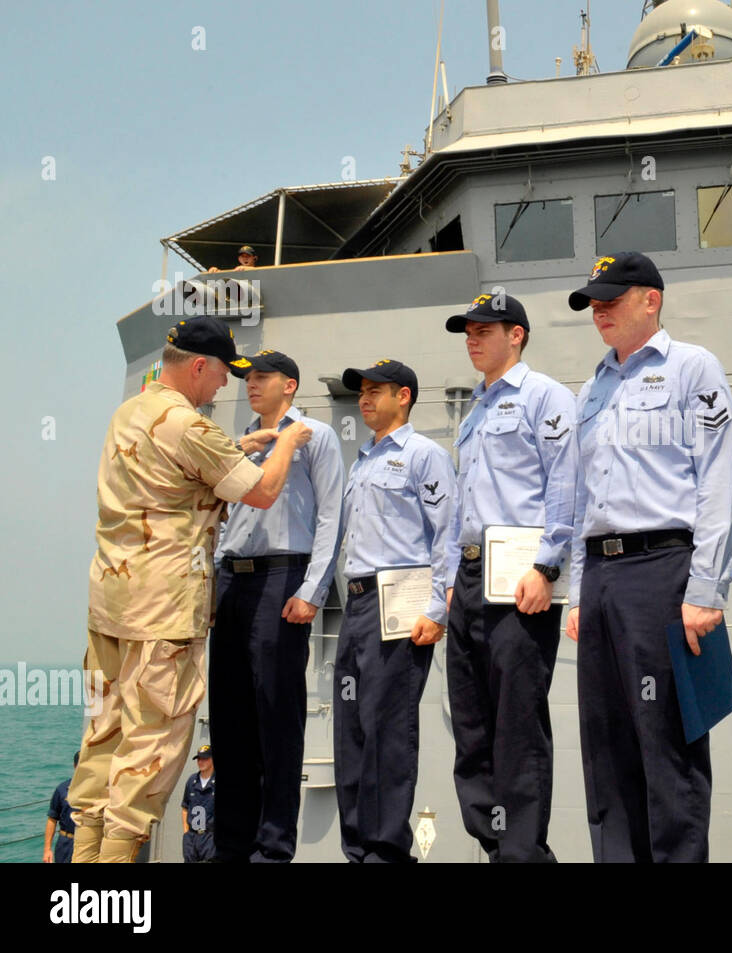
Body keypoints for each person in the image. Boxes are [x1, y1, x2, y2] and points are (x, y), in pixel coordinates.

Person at [70, 316, 313, 864]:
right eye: (223, 373)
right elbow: (264, 490)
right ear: (200, 366)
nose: (226, 385)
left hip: (110, 607)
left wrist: (238, 443)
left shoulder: (129, 412)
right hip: (162, 615)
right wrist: (290, 438)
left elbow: (174, 468)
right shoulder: (188, 425)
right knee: (150, 752)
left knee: (102, 742)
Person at [564, 251, 732, 862]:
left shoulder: (694, 368)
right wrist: (581, 590)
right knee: (606, 747)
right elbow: (586, 499)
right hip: (602, 577)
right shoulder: (590, 389)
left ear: (651, 300)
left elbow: (717, 480)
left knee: (667, 746)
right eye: (593, 303)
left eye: (611, 299)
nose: (599, 312)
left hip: (663, 571)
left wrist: (706, 589)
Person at [443, 292, 577, 862]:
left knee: (517, 722)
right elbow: (460, 505)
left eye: (484, 329)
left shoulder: (544, 396)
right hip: (470, 580)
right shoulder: (472, 411)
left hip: (520, 579)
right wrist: (450, 577)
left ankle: (524, 853)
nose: (472, 338)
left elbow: (564, 482)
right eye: (467, 331)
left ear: (516, 334)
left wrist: (547, 565)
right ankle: (494, 848)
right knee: (471, 724)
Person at [210, 349, 345, 862]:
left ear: (289, 385)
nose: (251, 384)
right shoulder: (239, 442)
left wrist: (311, 589)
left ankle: (271, 851)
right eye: (246, 377)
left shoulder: (315, 435)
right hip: (233, 580)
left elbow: (332, 513)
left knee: (276, 719)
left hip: (282, 575)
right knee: (229, 721)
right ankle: (231, 847)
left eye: (262, 377)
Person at [334, 359, 455, 862]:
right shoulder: (361, 461)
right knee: (351, 732)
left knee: (388, 731)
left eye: (375, 391)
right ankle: (357, 849)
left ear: (403, 396)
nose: (364, 399)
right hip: (358, 604)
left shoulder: (424, 456)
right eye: (361, 392)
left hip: (401, 604)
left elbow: (447, 531)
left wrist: (437, 609)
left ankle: (385, 852)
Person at [180, 745, 217, 863]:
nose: (201, 762)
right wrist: (186, 832)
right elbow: (185, 807)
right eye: (199, 759)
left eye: (205, 758)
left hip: (210, 838)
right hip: (192, 838)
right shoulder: (192, 781)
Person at [43, 752, 77, 864]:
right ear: (75, 766)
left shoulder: (99, 791)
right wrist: (47, 849)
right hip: (65, 843)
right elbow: (52, 819)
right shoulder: (62, 789)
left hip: (89, 842)